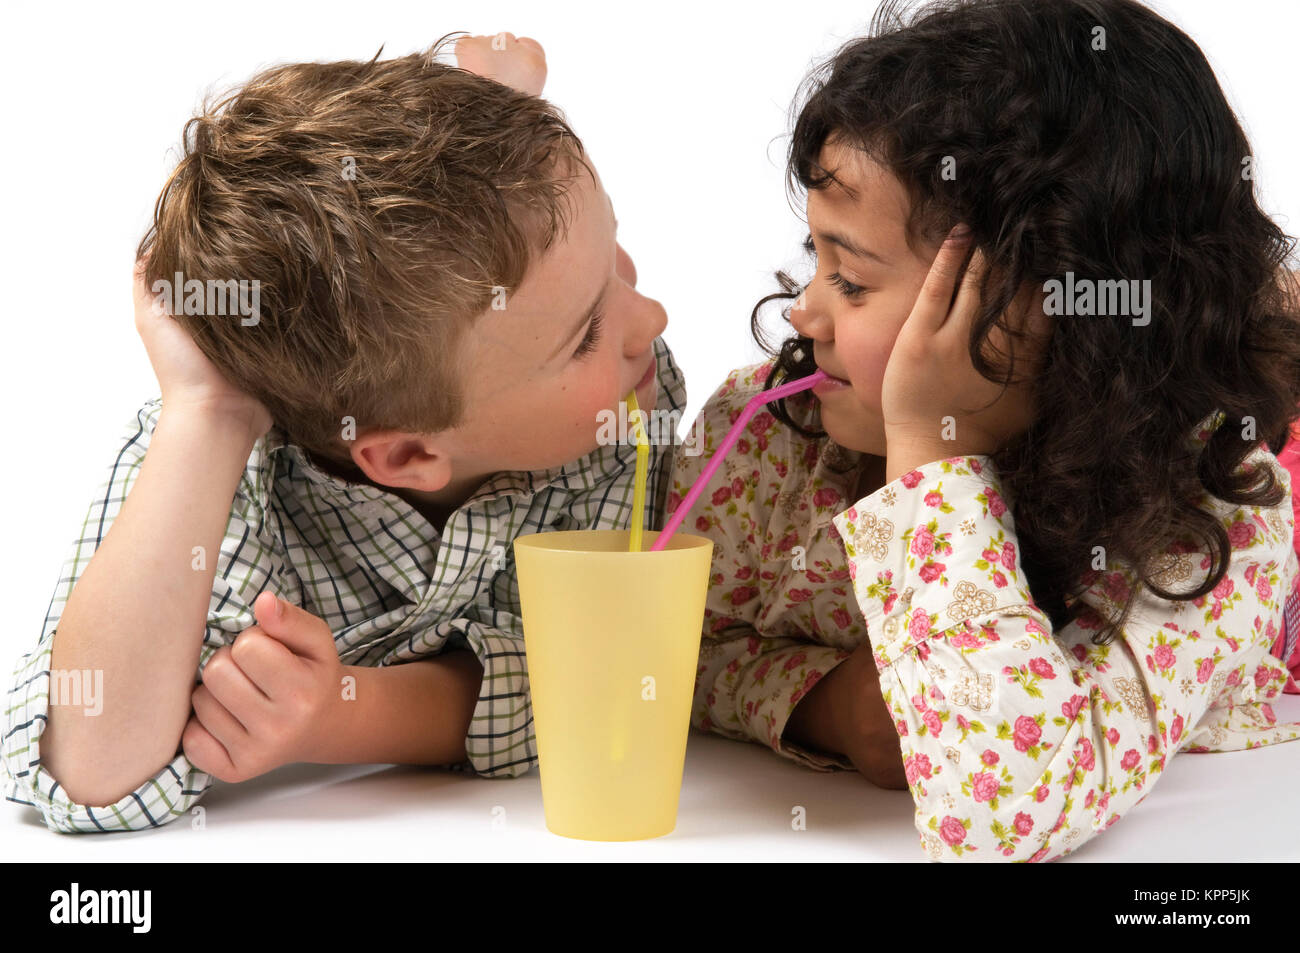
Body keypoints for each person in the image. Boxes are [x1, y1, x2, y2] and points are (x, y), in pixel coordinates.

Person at [3, 33, 687, 833]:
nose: (653, 320)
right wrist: (206, 414)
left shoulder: (623, 408)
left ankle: (502, 97)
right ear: (404, 455)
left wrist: (349, 715)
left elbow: (604, 692)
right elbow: (89, 765)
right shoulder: (214, 474)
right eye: (585, 334)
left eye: (616, 260)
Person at [670, 0, 1300, 861]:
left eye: (851, 279)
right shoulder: (777, 439)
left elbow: (1006, 812)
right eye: (814, 255)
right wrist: (820, 701)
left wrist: (931, 450)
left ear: (1047, 313)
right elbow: (655, 653)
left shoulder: (1207, 524)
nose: (804, 310)